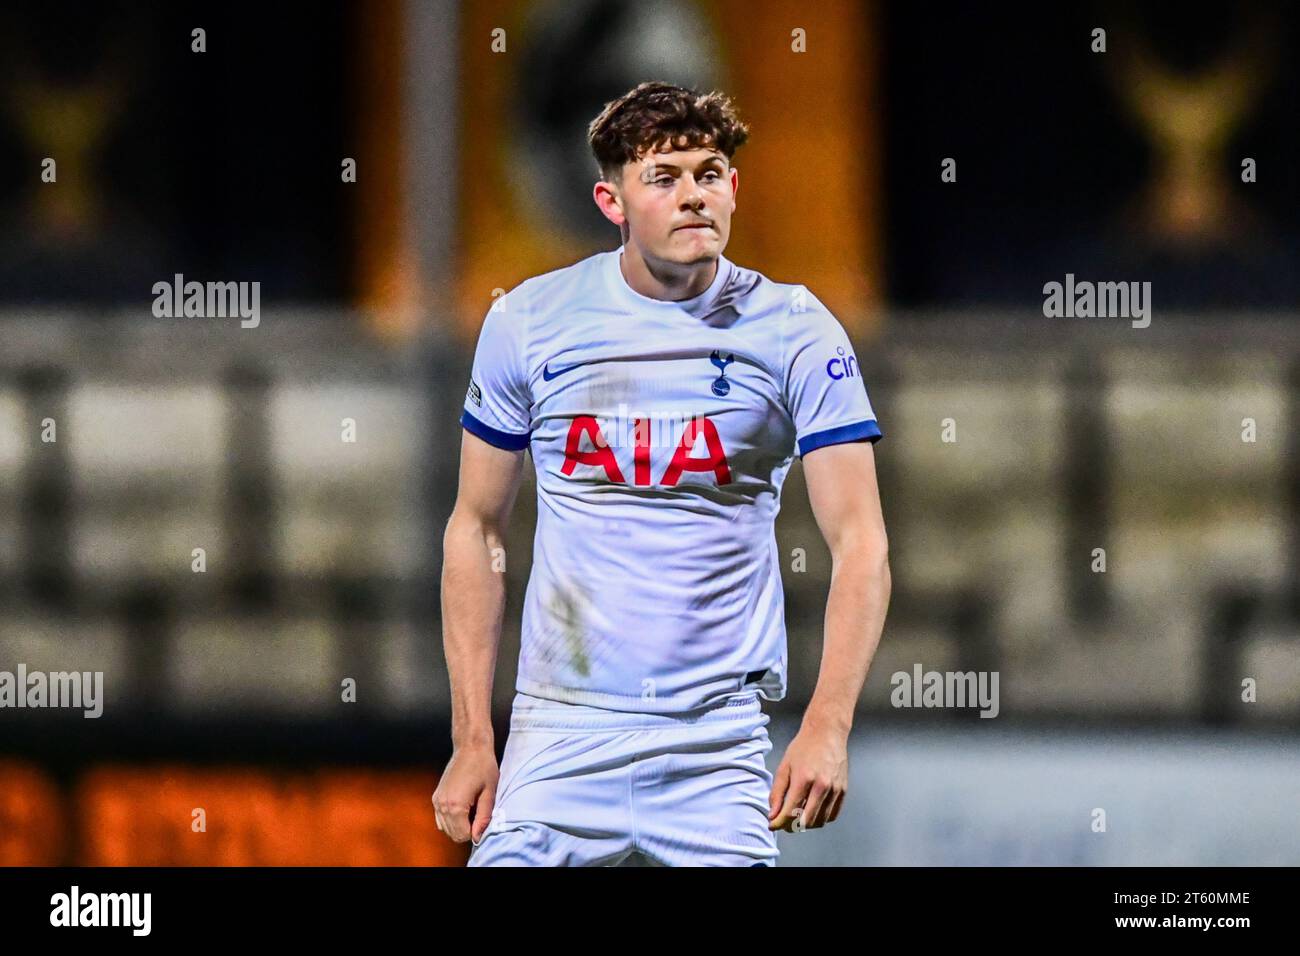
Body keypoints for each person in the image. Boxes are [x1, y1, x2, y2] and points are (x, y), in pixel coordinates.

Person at [434, 81, 890, 866]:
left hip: (714, 747)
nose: (693, 198)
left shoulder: (796, 329)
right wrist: (474, 738)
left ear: (734, 187)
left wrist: (827, 725)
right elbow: (476, 528)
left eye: (709, 174)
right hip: (561, 731)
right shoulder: (530, 322)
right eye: (664, 178)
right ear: (611, 202)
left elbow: (862, 545)